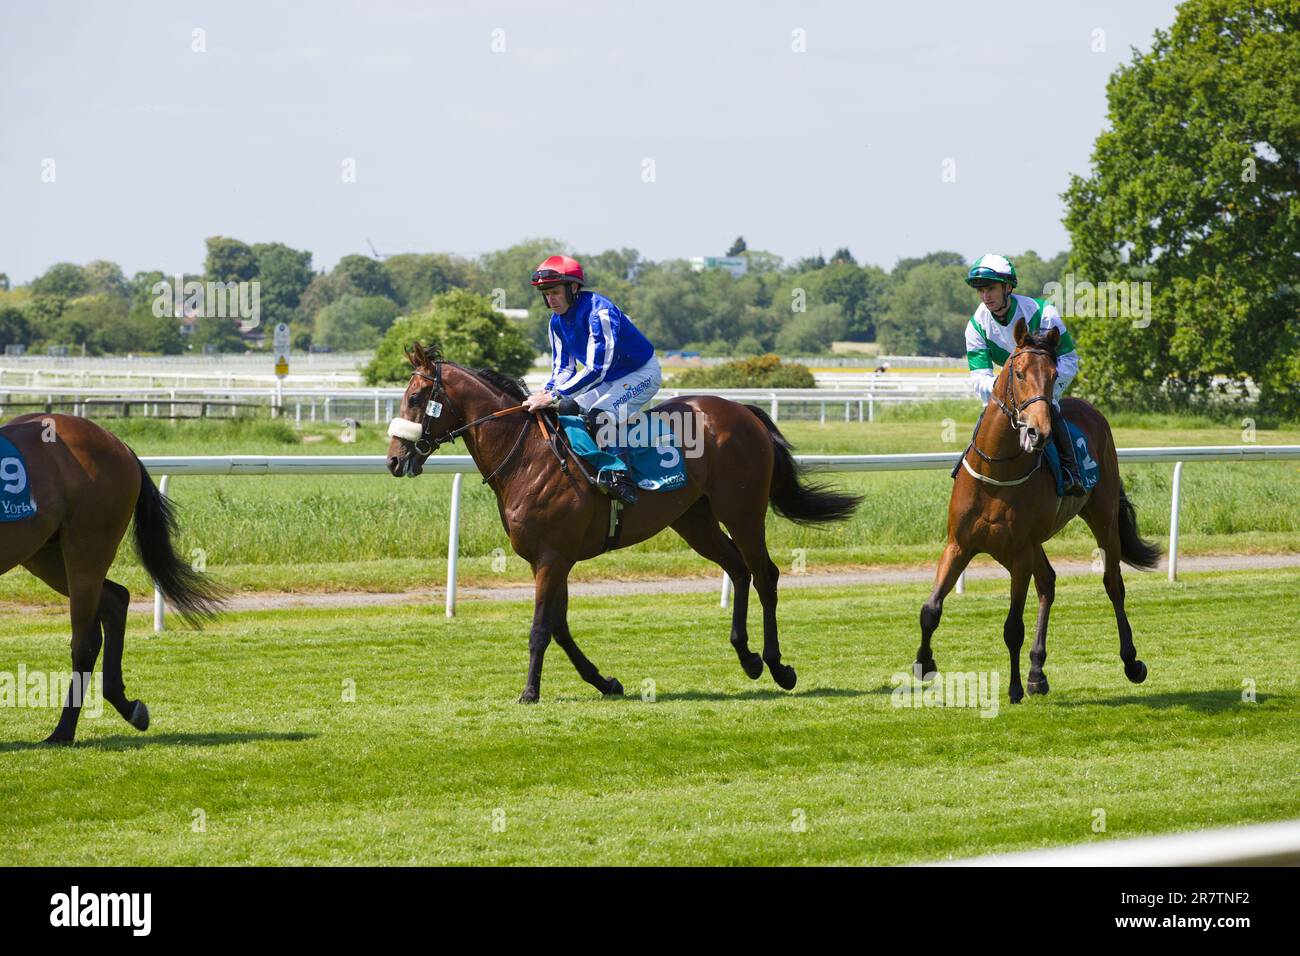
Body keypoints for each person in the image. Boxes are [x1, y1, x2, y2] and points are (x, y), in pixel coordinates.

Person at [522, 255, 661, 505]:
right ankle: (586, 468)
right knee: (566, 408)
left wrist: (553, 395)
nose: (550, 300)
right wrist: (546, 392)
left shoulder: (600, 313)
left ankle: (621, 477)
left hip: (641, 373)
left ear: (573, 288)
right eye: (546, 294)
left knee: (600, 414)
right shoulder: (556, 322)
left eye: (555, 292)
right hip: (609, 378)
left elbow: (597, 369)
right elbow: (563, 368)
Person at [958, 253, 1085, 496]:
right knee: (985, 424)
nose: (985, 297)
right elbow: (980, 377)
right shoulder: (975, 326)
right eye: (981, 291)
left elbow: (1069, 360)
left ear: (1007, 287)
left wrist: (1040, 387)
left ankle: (1072, 471)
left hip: (1041, 384)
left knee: (1050, 409)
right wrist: (1008, 389)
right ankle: (968, 473)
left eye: (991, 289)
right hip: (1006, 389)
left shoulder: (1044, 313)